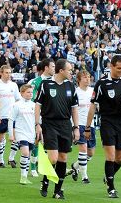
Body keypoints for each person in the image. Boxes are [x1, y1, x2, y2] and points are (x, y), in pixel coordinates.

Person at [85, 55, 121, 198]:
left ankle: (109, 176)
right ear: (111, 66)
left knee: (120, 158)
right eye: (119, 68)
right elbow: (93, 106)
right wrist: (88, 127)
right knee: (111, 156)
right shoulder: (101, 83)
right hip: (107, 121)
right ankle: (111, 187)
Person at [35, 59, 80, 200]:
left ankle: (58, 191)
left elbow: (74, 109)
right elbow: (38, 105)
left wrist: (76, 127)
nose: (71, 72)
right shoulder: (46, 84)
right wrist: (37, 124)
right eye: (69, 70)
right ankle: (46, 181)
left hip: (65, 125)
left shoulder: (71, 86)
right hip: (50, 123)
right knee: (53, 158)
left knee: (63, 158)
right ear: (61, 71)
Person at [28, 58, 55, 176]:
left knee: (50, 143)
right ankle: (33, 167)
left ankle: (46, 166)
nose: (55, 69)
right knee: (36, 141)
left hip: (53, 117)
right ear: (46, 68)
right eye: (52, 66)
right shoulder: (35, 82)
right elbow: (32, 100)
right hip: (39, 116)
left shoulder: (56, 81)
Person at [68, 70, 96, 184]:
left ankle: (75, 166)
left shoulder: (93, 91)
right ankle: (84, 176)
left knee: (91, 153)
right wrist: (74, 127)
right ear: (79, 80)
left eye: (89, 77)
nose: (88, 79)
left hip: (91, 125)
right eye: (85, 77)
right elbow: (71, 110)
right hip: (79, 124)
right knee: (83, 150)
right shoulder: (75, 92)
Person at [0, 65, 21, 168]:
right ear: (1, 73)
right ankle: (1, 161)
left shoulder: (14, 85)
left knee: (16, 137)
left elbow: (18, 99)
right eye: (6, 73)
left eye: (10, 73)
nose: (9, 75)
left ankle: (11, 158)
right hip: (2, 116)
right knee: (0, 137)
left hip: (12, 116)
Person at [8, 84, 35, 185]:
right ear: (21, 93)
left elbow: (38, 120)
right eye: (28, 92)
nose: (30, 94)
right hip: (21, 133)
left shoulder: (34, 105)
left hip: (31, 133)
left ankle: (25, 176)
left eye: (31, 92)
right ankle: (23, 177)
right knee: (25, 153)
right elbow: (11, 120)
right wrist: (11, 134)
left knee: (28, 155)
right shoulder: (17, 105)